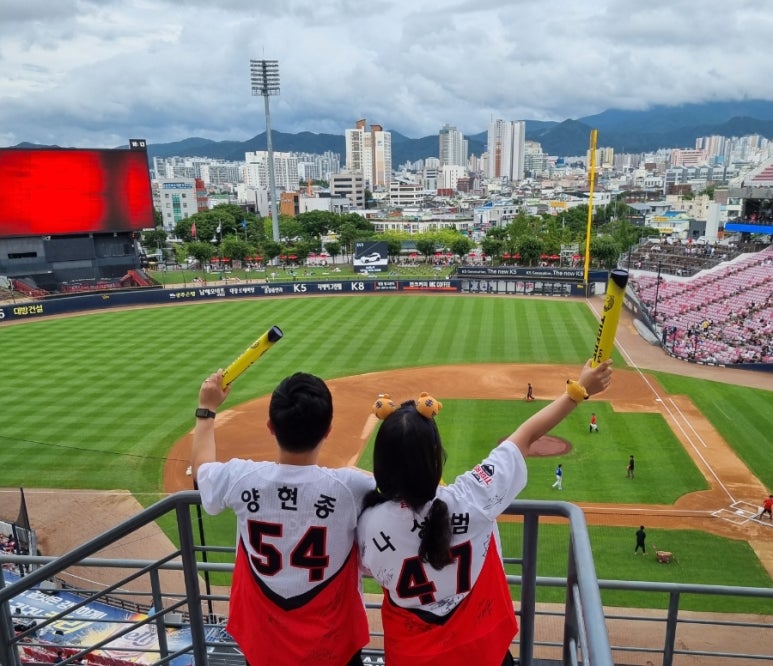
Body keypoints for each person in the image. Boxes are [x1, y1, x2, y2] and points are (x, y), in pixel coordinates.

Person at [357, 359, 612, 666]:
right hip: (484, 651)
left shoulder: (368, 523)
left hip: (413, 656)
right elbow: (526, 437)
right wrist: (578, 390)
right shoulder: (473, 496)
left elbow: (370, 564)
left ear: (381, 464)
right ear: (436, 457)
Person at [192, 370, 375, 666]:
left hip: (265, 645)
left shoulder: (241, 477)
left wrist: (207, 410)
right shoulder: (354, 488)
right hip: (334, 646)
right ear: (328, 430)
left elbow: (201, 473)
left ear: (270, 427)